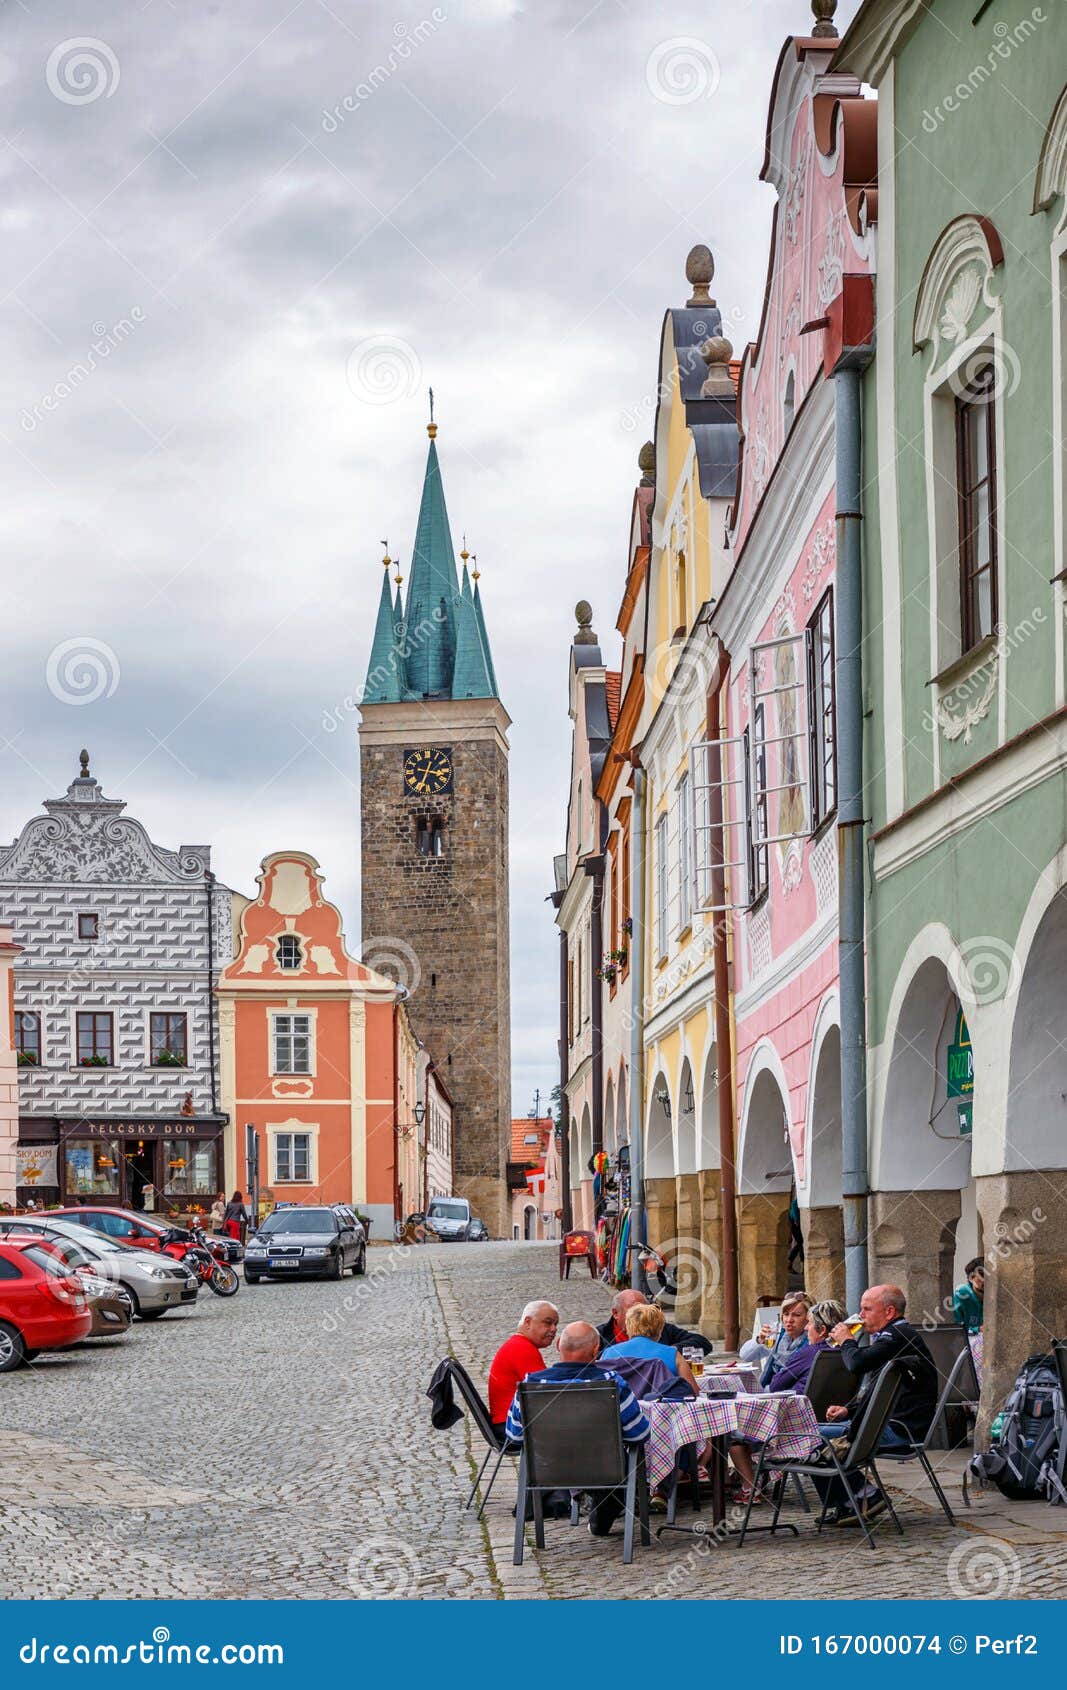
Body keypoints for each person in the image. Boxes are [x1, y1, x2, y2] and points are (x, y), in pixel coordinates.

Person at [504, 1321, 649, 1537]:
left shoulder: (530, 1384)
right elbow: (639, 1433)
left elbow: (514, 1435)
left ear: (558, 1345)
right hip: (607, 1469)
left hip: (547, 1468)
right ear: (595, 1351)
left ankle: (593, 1513)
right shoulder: (612, 1383)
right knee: (626, 1466)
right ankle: (600, 1521)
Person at [818, 1284, 940, 1526]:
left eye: (867, 1309)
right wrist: (849, 1410)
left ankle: (863, 1497)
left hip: (897, 1429)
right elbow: (878, 1393)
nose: (860, 1316)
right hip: (892, 1423)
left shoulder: (896, 1337)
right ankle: (853, 1500)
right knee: (815, 1431)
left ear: (889, 1312)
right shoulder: (896, 1336)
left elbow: (857, 1363)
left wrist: (846, 1341)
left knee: (810, 1437)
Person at [487, 1300, 559, 1429]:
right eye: (548, 1323)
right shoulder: (522, 1348)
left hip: (509, 1422)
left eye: (555, 1324)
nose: (554, 1329)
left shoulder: (519, 1344)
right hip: (511, 1426)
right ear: (527, 1322)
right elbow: (547, 1394)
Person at [601, 1302, 700, 1394]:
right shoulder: (672, 1354)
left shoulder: (609, 1353)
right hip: (659, 1410)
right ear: (660, 1328)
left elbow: (601, 1387)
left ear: (628, 1327)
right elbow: (693, 1392)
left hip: (624, 1410)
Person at [595, 1287, 712, 1357]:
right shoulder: (599, 1335)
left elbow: (703, 1343)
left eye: (643, 1309)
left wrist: (669, 1351)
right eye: (633, 1309)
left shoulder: (659, 1328)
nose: (639, 1314)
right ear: (616, 1313)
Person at [766, 1298, 846, 1394]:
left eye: (809, 1323)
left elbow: (775, 1385)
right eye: (786, 1314)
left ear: (822, 1330)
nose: (806, 1327)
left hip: (800, 1406)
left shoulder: (810, 1353)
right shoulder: (849, 1351)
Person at [739, 1293, 812, 1386]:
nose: (789, 1320)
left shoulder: (811, 1341)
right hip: (770, 1389)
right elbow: (745, 1356)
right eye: (786, 1314)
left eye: (797, 1315)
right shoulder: (778, 1336)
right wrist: (759, 1340)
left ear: (808, 1318)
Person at [952, 1257, 984, 1333]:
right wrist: (978, 1329)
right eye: (982, 1275)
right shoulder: (961, 1295)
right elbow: (955, 1328)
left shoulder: (996, 1297)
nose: (986, 1280)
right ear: (971, 1278)